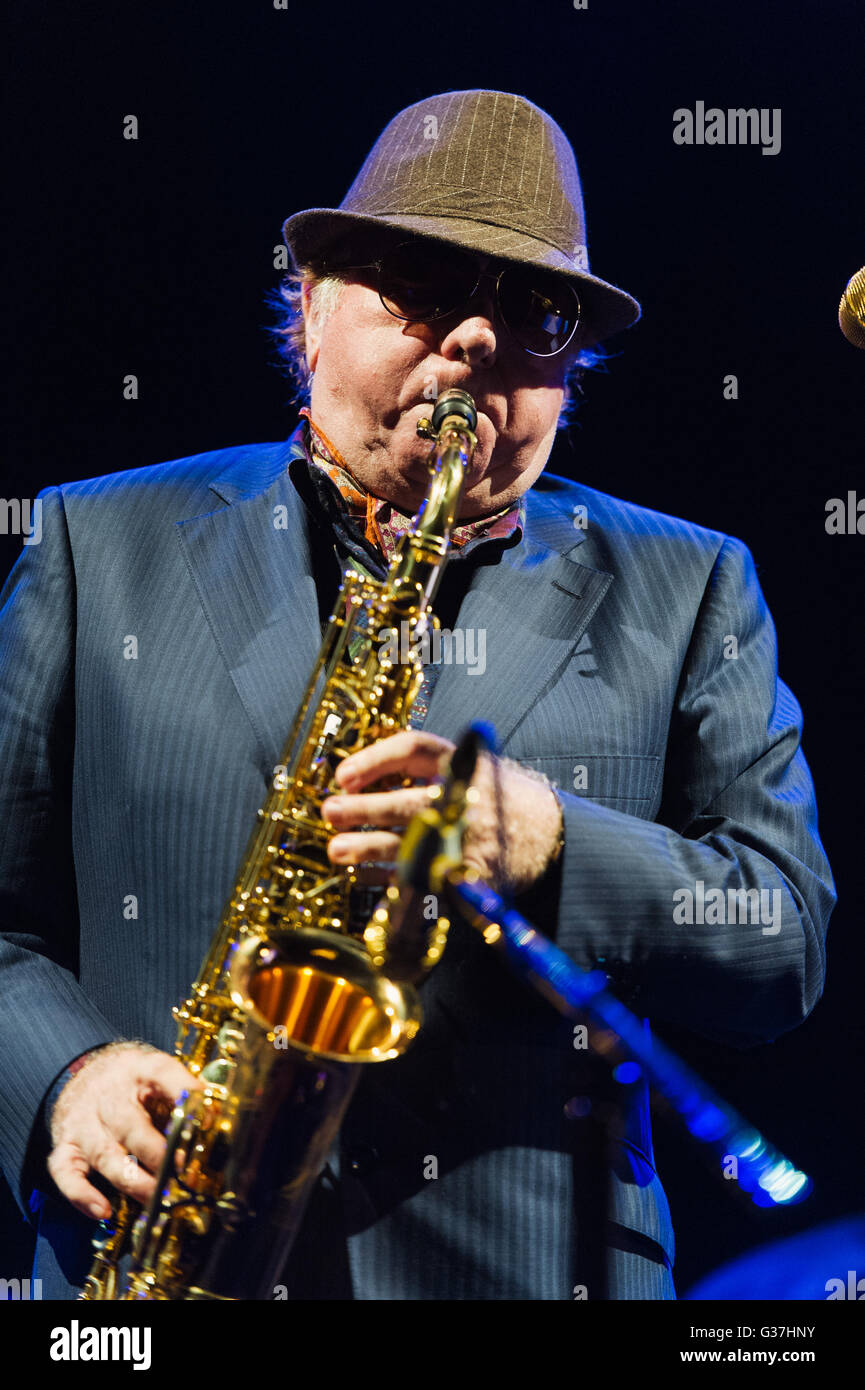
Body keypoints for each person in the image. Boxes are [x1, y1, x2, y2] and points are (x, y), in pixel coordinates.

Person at [0, 89, 834, 1301]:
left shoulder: (691, 582)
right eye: (425, 285)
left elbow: (786, 944)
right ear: (311, 300)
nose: (479, 342)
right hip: (148, 1270)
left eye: (535, 313)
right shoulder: (95, 539)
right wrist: (60, 1081)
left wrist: (553, 843)